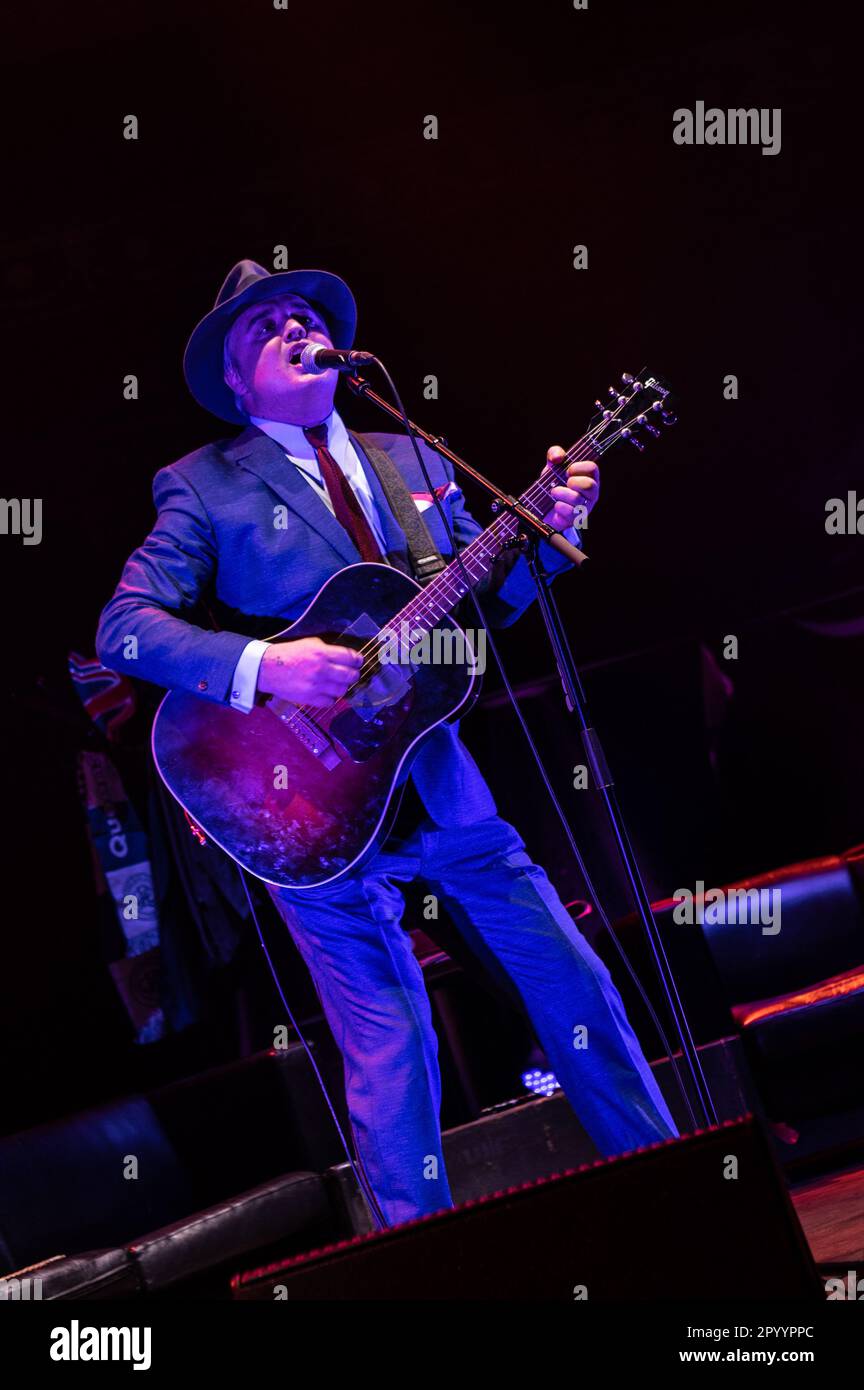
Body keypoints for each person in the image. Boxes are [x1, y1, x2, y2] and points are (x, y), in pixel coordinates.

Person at [96, 259, 678, 1227]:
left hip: (434, 777)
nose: (294, 328)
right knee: (391, 1049)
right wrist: (270, 666)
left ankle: (673, 1190)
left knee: (575, 983)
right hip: (296, 802)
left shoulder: (413, 457)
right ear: (235, 381)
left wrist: (544, 532)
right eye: (264, 327)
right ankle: (421, 1261)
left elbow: (479, 611)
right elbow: (125, 628)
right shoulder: (204, 485)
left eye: (303, 314)